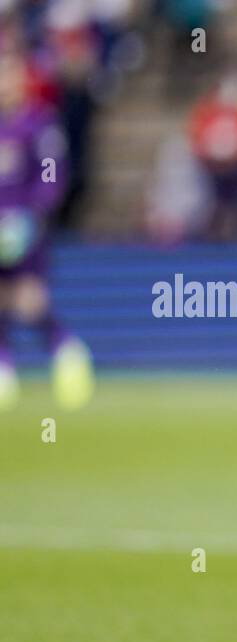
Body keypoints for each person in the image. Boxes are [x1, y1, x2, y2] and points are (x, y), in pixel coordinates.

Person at [0, 52, 93, 411]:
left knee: (28, 300)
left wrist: (35, 214)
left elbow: (52, 173)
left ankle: (66, 351)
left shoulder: (39, 124)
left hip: (25, 229)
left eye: (9, 77)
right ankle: (5, 368)